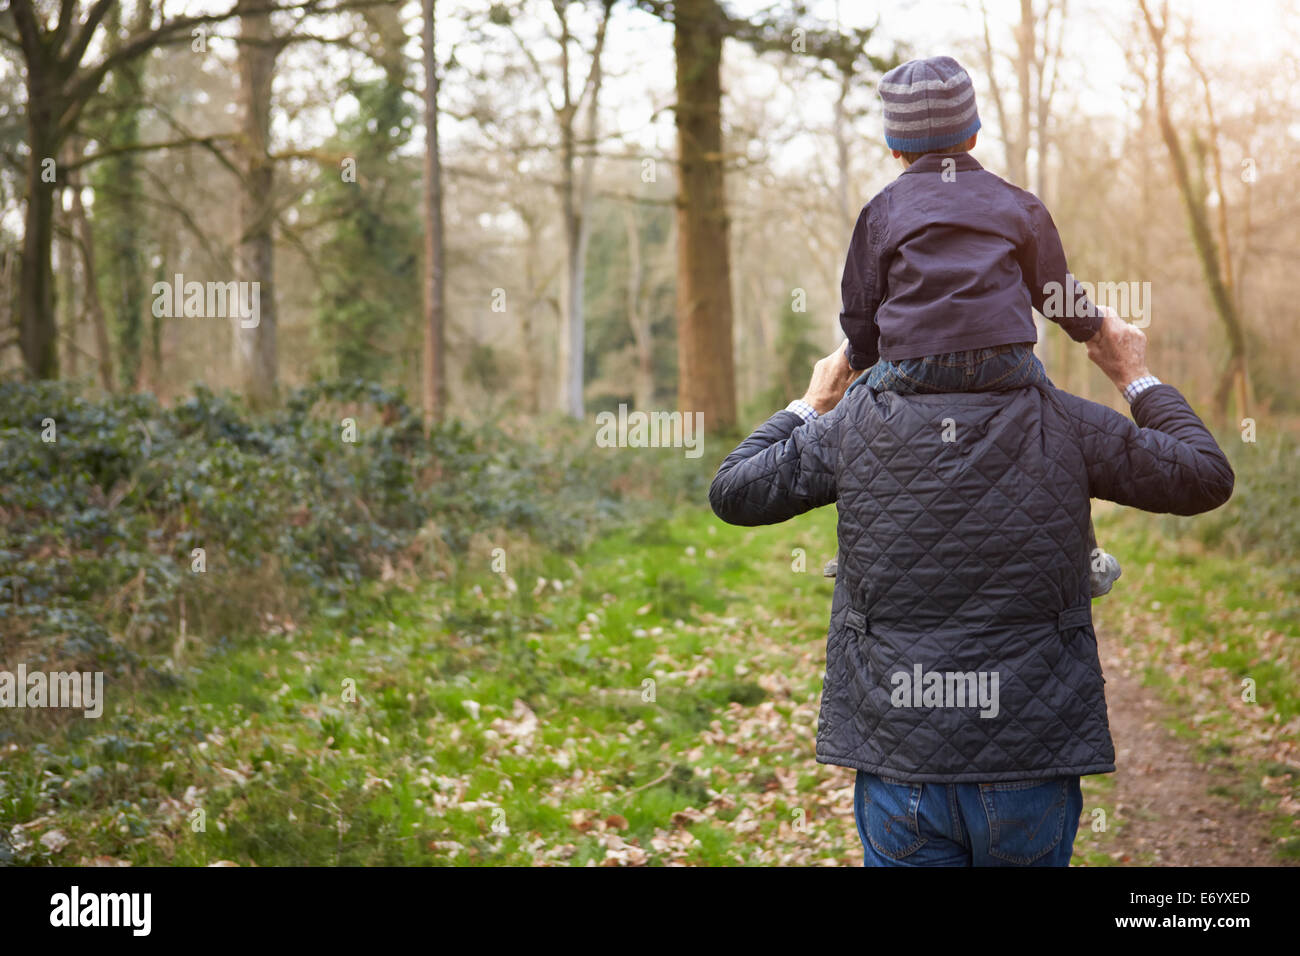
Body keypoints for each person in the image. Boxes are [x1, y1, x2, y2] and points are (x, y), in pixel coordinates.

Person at [709, 317, 1234, 866]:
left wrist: (815, 400)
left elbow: (734, 490)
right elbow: (1204, 476)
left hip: (901, 761)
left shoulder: (851, 426)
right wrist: (1135, 377)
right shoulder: (1068, 423)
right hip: (1028, 762)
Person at [824, 55, 1119, 595]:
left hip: (911, 366)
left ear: (895, 147)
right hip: (1003, 361)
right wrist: (1093, 327)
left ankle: (855, 555)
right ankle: (1085, 553)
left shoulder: (882, 212)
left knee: (861, 433)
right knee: (1056, 428)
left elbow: (860, 310)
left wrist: (863, 360)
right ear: (975, 135)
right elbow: (1055, 292)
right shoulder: (1017, 205)